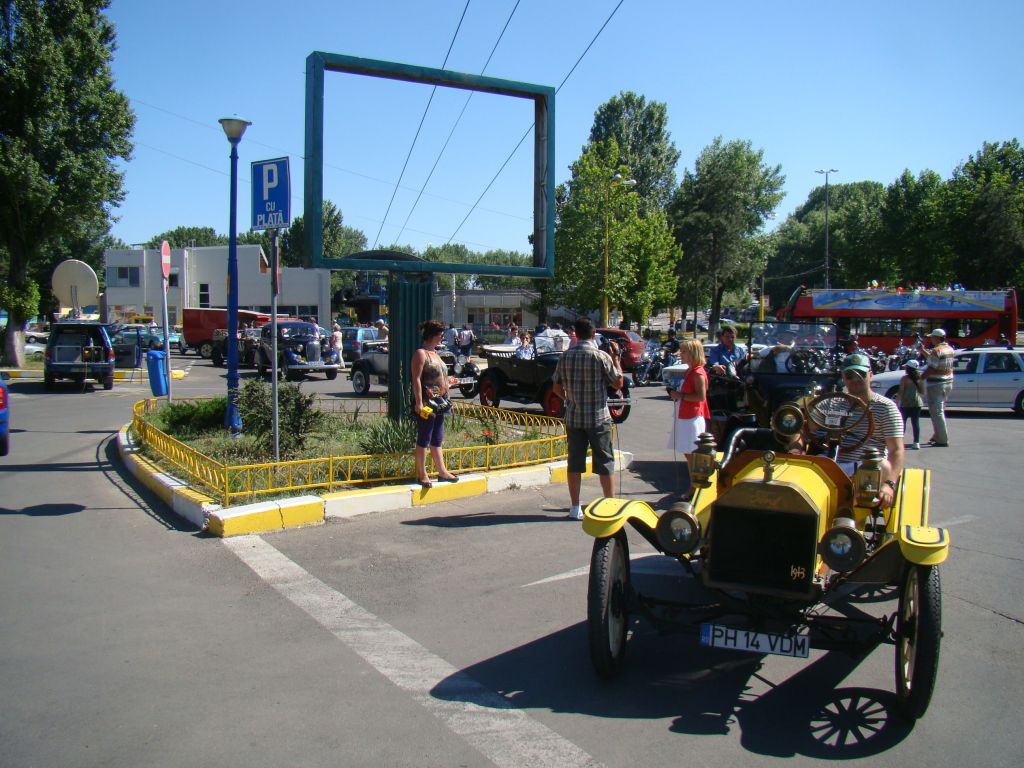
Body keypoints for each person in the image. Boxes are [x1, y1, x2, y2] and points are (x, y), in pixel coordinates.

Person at [552, 317, 624, 520]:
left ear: (576, 333)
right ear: (593, 334)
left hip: (574, 417)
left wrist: (570, 399)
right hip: (598, 417)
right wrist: (616, 358)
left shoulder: (565, 357)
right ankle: (609, 504)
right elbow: (618, 383)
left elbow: (556, 387)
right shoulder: (601, 356)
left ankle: (575, 507)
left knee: (574, 462)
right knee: (605, 461)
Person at [834, 353, 905, 507]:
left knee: (882, 466)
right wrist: (795, 444)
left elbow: (896, 450)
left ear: (871, 375)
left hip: (865, 468)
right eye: (849, 375)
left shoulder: (886, 407)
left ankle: (848, 521)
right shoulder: (832, 404)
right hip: (831, 464)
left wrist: (889, 485)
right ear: (843, 378)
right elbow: (805, 426)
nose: (855, 379)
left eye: (861, 374)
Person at [410, 320, 458, 488]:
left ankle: (442, 471)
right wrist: (419, 402)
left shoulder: (437, 355)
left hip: (441, 401)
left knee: (437, 437)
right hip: (427, 402)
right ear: (431, 335)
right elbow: (416, 379)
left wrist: (449, 392)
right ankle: (422, 474)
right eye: (440, 335)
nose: (442, 338)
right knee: (425, 436)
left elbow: (443, 378)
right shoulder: (421, 354)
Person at [667, 339, 711, 493]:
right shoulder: (690, 371)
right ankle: (694, 485)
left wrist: (680, 395)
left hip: (692, 417)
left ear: (693, 353)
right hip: (685, 414)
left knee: (692, 453)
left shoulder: (698, 372)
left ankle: (694, 487)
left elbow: (700, 396)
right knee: (688, 452)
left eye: (684, 351)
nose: (681, 354)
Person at [921, 328, 954, 446]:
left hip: (936, 384)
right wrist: (923, 351)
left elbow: (932, 367)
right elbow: (933, 360)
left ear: (937, 338)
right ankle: (938, 435)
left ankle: (942, 439)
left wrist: (920, 378)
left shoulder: (936, 350)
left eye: (932, 337)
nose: (931, 339)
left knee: (936, 412)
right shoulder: (949, 349)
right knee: (939, 410)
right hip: (947, 383)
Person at [897, 360, 925, 449]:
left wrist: (897, 402)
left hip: (906, 403)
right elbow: (922, 391)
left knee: (902, 423)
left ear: (908, 368)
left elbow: (901, 391)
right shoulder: (919, 378)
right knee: (915, 423)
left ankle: (900, 442)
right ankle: (916, 442)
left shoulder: (904, 379)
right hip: (917, 403)